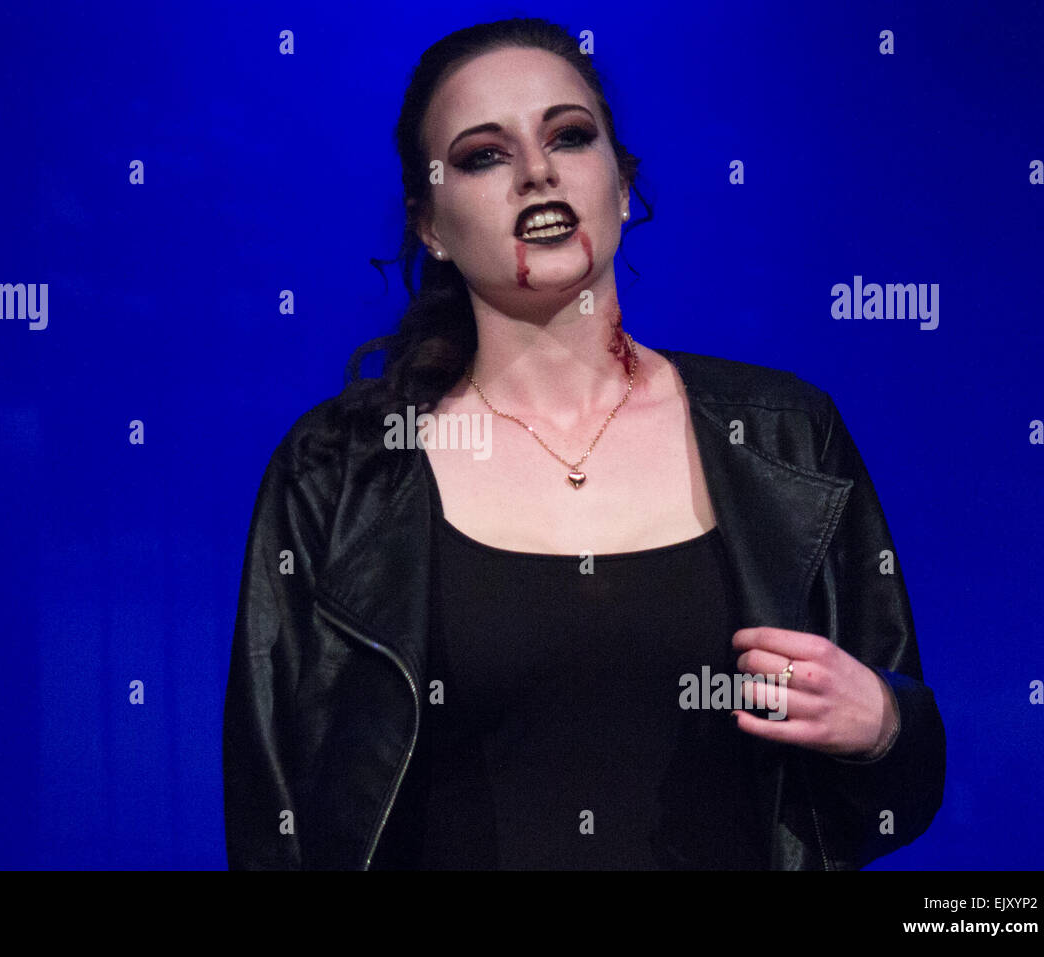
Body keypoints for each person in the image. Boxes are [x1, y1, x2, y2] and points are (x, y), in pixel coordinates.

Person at [223, 17, 945, 870]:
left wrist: (886, 729)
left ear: (623, 183)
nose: (537, 171)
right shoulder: (337, 473)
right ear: (431, 227)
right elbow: (274, 814)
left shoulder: (788, 435)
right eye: (484, 154)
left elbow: (896, 797)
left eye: (570, 136)